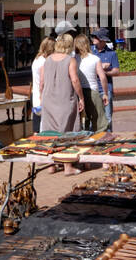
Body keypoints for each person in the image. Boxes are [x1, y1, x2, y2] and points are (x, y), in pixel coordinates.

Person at [39, 34, 85, 173]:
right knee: (67, 132)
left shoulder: (47, 60)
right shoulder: (70, 60)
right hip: (64, 99)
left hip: (48, 99)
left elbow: (41, 82)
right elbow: (75, 80)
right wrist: (81, 98)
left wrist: (42, 97)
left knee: (49, 132)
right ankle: (67, 166)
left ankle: (51, 165)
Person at [75, 34, 110, 133]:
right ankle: (100, 144)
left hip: (78, 93)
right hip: (92, 92)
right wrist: (105, 94)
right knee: (99, 124)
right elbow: (102, 77)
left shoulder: (73, 59)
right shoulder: (95, 59)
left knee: (82, 123)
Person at [91, 30, 120, 131]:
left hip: (106, 89)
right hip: (93, 88)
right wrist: (100, 68)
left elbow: (116, 71)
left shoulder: (112, 54)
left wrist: (102, 72)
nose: (94, 39)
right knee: (93, 116)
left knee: (107, 117)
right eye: (94, 36)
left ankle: (109, 138)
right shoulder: (90, 51)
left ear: (103, 40)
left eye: (96, 37)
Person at [29, 37, 55, 133]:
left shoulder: (37, 59)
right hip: (42, 95)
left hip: (35, 94)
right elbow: (43, 82)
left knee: (37, 123)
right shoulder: (44, 61)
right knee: (44, 125)